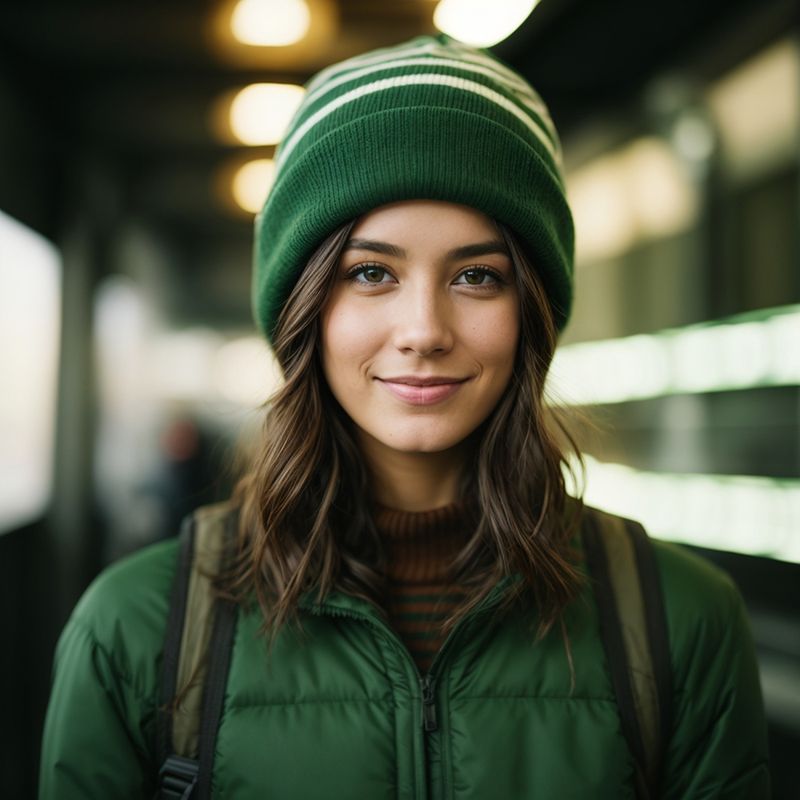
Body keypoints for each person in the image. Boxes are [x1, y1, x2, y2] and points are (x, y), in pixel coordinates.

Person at [39, 35, 770, 799]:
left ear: (534, 311)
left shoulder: (678, 623)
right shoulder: (137, 632)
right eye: (371, 273)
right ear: (304, 309)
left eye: (478, 275)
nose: (424, 329)